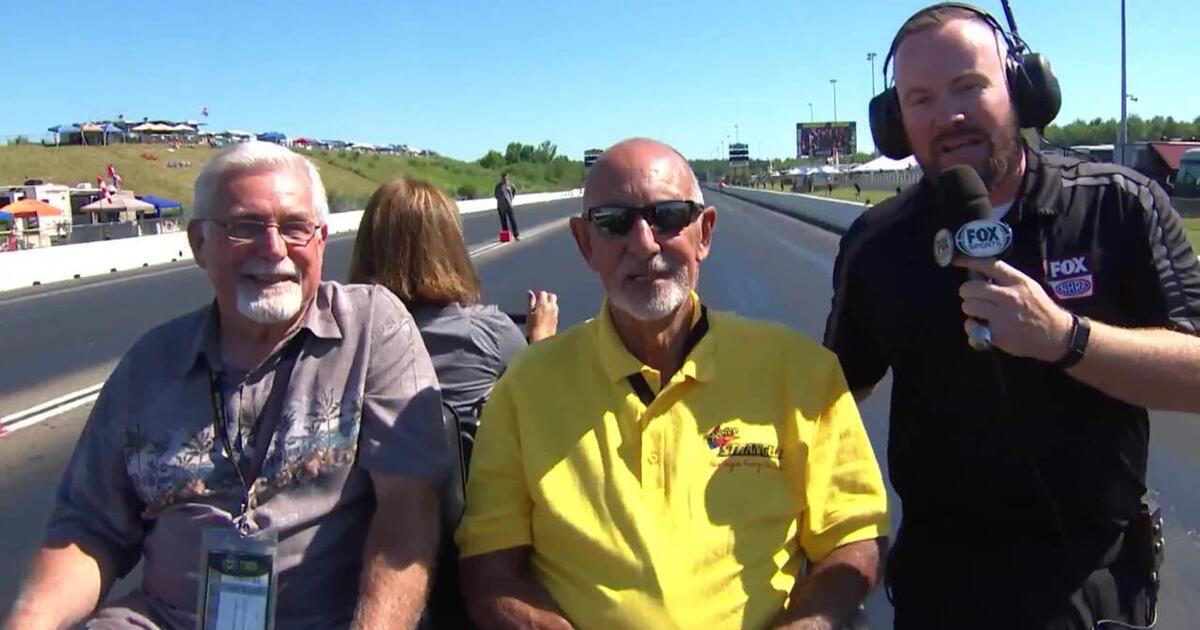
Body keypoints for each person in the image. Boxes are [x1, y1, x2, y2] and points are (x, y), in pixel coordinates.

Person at [827, 5, 1200, 628]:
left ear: (1023, 90)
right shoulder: (877, 244)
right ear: (896, 124)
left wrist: (1066, 339)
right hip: (942, 588)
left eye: (969, 86)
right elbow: (832, 391)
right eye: (920, 99)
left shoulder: (1120, 207)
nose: (949, 116)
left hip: (1095, 582)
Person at [3, 142, 450, 630]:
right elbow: (88, 531)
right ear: (199, 244)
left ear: (321, 240)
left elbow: (409, 506)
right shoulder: (149, 366)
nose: (273, 248)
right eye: (245, 227)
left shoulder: (370, 329)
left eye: (295, 227)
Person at [457, 138, 890, 630]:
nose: (643, 243)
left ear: (704, 233)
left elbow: (854, 537)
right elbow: (489, 566)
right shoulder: (525, 389)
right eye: (614, 222)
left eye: (667, 216)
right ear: (584, 243)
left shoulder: (802, 373)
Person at [348, 175, 559, 420]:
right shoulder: (489, 332)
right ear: (449, 248)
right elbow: (542, 407)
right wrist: (542, 344)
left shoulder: (343, 343)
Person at [494, 171, 519, 240]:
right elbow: (496, 194)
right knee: (503, 221)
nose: (504, 178)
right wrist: (500, 200)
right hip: (501, 205)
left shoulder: (510, 185)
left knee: (512, 220)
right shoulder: (498, 186)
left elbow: (514, 191)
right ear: (501, 177)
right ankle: (506, 236)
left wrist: (510, 198)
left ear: (507, 177)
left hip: (509, 205)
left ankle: (516, 234)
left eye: (506, 176)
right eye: (503, 177)